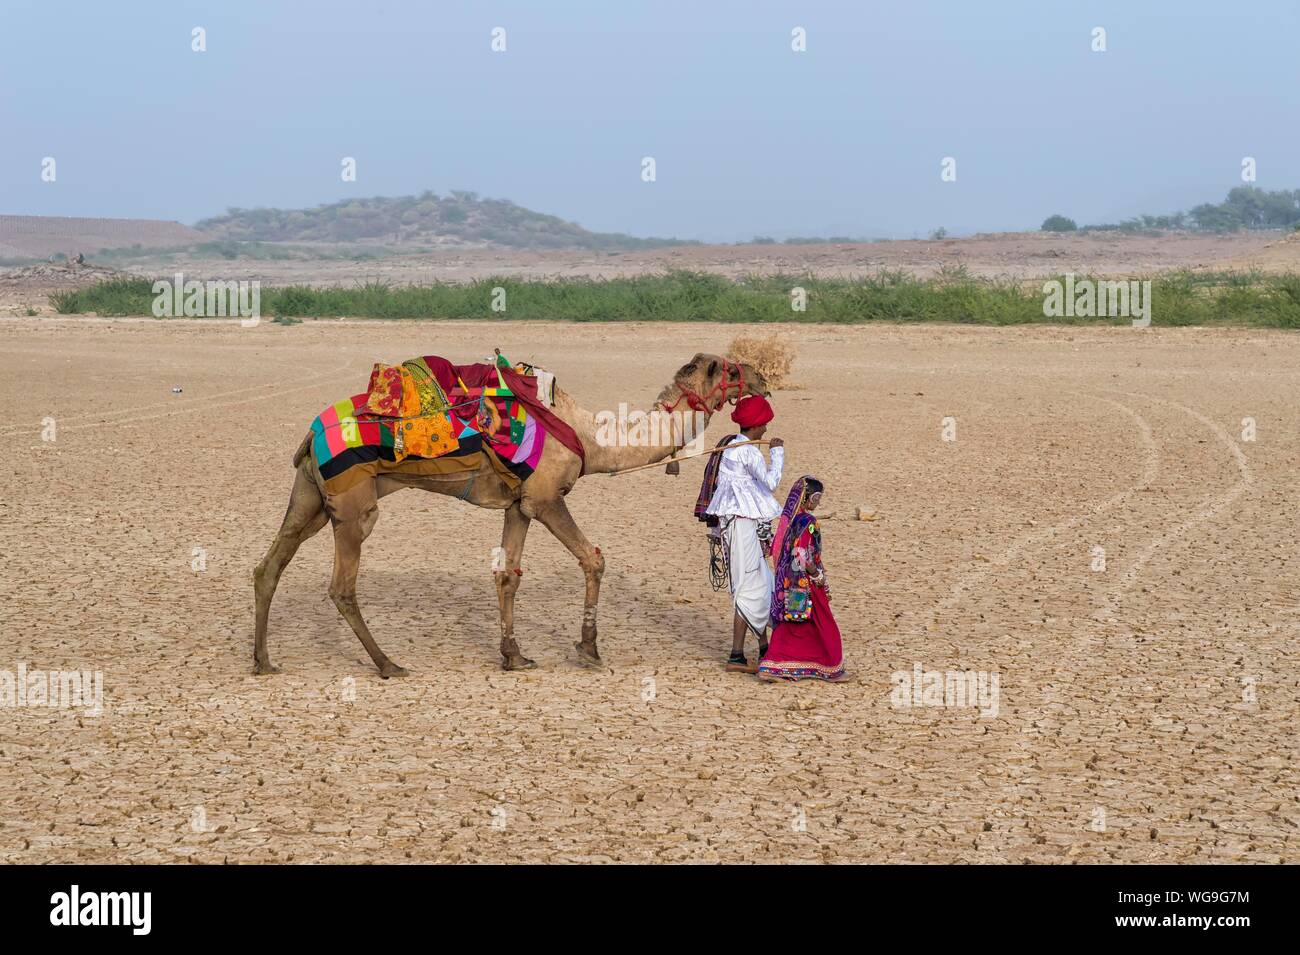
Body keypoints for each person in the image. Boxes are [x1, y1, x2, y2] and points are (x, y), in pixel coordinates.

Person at [704, 394, 784, 672]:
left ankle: (764, 648)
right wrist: (777, 453)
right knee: (749, 589)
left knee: (760, 582)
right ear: (756, 425)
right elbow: (772, 482)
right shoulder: (748, 451)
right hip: (741, 526)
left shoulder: (731, 446)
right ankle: (736, 655)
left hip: (737, 524)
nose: (766, 430)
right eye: (764, 425)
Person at [758, 476, 846, 682]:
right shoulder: (808, 522)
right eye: (817, 498)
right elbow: (800, 553)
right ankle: (830, 668)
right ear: (808, 498)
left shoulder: (789, 522)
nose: (819, 503)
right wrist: (816, 574)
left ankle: (774, 665)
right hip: (806, 582)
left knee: (793, 625)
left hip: (789, 583)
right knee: (825, 625)